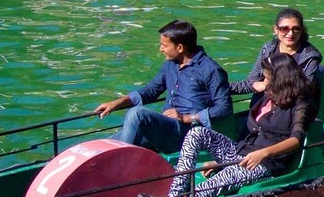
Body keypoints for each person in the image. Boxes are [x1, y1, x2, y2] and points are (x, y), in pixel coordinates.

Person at [140, 52, 313, 197]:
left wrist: (263, 153)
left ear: (281, 79)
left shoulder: (300, 104)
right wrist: (220, 163)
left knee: (210, 184)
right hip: (241, 152)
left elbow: (296, 140)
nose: (264, 82)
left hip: (264, 163)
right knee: (197, 133)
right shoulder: (267, 96)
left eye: (268, 78)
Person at [93, 20, 232, 154]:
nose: (161, 49)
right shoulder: (171, 64)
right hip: (167, 128)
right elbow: (151, 90)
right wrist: (117, 103)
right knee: (105, 145)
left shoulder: (211, 70)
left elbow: (224, 108)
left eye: (164, 45)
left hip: (189, 134)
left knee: (137, 114)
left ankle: (121, 164)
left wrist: (186, 118)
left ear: (180, 48)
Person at [231, 8, 323, 116]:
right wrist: (222, 87)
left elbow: (303, 91)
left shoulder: (310, 56)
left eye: (296, 29)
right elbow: (251, 82)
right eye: (284, 28)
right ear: (276, 29)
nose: (290, 33)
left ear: (301, 30)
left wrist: (267, 86)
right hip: (263, 107)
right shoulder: (268, 49)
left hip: (291, 111)